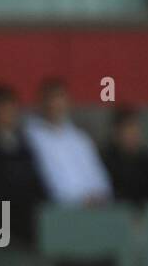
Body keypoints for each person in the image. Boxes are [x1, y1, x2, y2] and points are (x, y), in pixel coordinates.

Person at [0, 84, 48, 244]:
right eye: (2, 109)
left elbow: (36, 177)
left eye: (11, 109)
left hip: (31, 208)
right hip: (4, 209)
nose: (7, 115)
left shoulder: (25, 142)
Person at [23, 79, 112, 207]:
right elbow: (50, 181)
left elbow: (101, 180)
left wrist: (97, 197)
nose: (55, 104)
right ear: (41, 102)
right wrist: (78, 200)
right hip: (59, 211)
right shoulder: (32, 137)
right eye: (51, 99)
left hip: (94, 209)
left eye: (60, 98)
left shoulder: (80, 139)